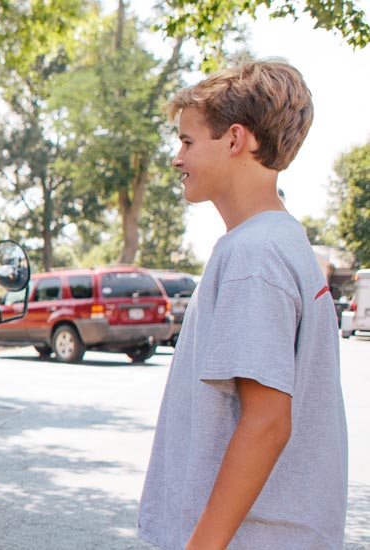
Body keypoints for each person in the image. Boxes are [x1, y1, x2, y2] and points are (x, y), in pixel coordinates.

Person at [138, 60, 346, 549]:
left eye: (187, 142)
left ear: (235, 139)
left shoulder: (254, 255)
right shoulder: (284, 242)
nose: (177, 158)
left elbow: (268, 421)